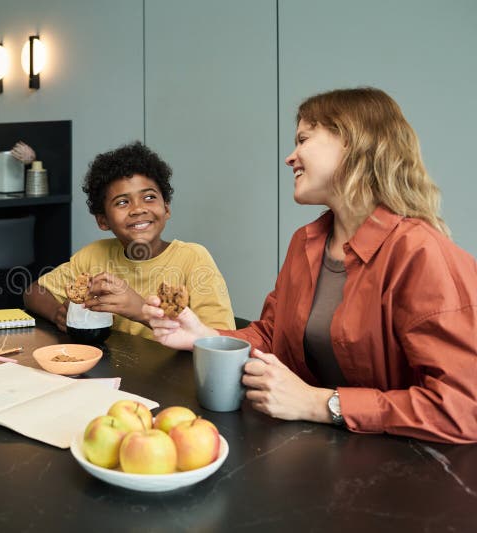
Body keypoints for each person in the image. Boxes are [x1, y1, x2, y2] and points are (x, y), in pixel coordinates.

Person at [143, 87, 477, 444]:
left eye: (303, 139)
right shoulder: (306, 242)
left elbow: (463, 406)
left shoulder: (422, 253)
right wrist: (201, 335)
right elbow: (274, 337)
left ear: (353, 142)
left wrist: (321, 403)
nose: (290, 157)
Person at [24, 141, 234, 340]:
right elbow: (33, 292)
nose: (138, 209)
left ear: (166, 208)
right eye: (122, 202)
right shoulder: (94, 256)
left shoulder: (193, 259)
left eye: (149, 197)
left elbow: (219, 341)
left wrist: (143, 311)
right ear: (103, 220)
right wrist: (58, 314)